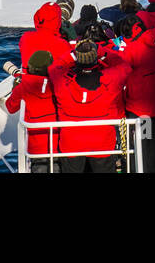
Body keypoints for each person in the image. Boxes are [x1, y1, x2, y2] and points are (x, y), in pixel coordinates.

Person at [50, 41, 131, 174]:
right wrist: (102, 52)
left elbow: (55, 67)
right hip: (102, 141)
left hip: (71, 142)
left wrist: (74, 53)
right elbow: (124, 66)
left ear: (78, 59)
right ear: (95, 58)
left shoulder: (62, 81)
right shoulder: (111, 78)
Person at [110, 14, 155, 173]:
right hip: (153, 103)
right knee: (149, 142)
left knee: (138, 145)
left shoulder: (133, 50)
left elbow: (120, 73)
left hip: (136, 106)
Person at [4, 50, 60, 172]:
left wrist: (16, 88)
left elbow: (10, 107)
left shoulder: (23, 86)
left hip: (36, 145)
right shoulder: (60, 84)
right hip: (59, 143)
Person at [20, 2, 74, 70]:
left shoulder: (25, 37)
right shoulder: (63, 44)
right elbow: (72, 62)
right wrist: (73, 41)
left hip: (27, 78)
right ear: (58, 21)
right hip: (50, 79)